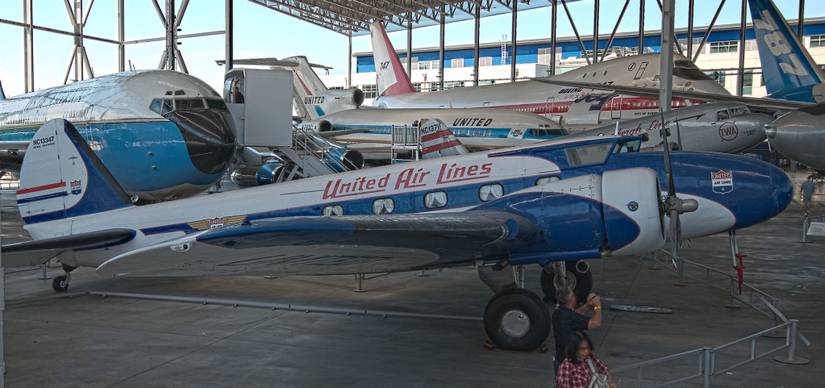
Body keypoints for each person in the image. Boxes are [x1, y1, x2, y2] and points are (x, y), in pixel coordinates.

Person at [552, 289, 602, 373]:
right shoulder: (570, 317)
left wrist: (587, 305)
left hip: (560, 359)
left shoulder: (557, 313)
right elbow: (596, 323)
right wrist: (598, 306)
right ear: (572, 299)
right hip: (571, 364)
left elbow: (574, 315)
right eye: (574, 295)